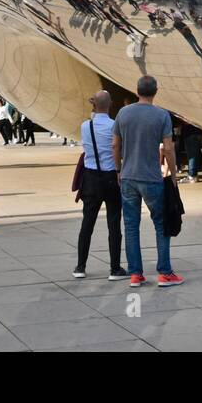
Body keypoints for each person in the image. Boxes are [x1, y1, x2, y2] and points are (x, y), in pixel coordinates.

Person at [112, 75, 183, 287]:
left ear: (136, 91)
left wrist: (118, 169)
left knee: (131, 225)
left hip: (128, 177)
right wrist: (173, 173)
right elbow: (168, 148)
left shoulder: (123, 113)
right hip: (151, 177)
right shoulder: (162, 115)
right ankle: (165, 273)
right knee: (161, 225)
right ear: (156, 91)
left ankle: (135, 274)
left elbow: (115, 145)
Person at [74, 91, 125, 280]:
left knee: (87, 223)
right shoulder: (114, 126)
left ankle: (80, 266)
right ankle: (115, 268)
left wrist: (94, 104)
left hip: (90, 178)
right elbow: (117, 147)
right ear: (111, 104)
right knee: (114, 224)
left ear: (93, 105)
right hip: (111, 177)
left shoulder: (85, 126)